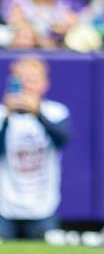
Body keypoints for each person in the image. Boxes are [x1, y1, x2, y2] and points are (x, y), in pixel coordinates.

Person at [0, 57, 70, 239]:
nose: (26, 85)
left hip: (43, 207)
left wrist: (37, 114)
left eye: (32, 80)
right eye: (20, 79)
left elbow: (62, 140)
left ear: (44, 84)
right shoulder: (2, 113)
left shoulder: (56, 112)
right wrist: (8, 116)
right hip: (5, 207)